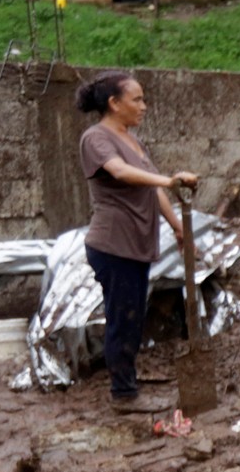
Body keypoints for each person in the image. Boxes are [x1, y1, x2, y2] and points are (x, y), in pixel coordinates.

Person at [74, 70, 198, 413]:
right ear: (114, 104)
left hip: (136, 243)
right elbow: (121, 173)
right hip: (113, 244)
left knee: (132, 318)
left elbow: (152, 188)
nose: (144, 106)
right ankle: (124, 395)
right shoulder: (96, 138)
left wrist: (177, 226)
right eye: (137, 99)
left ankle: (126, 384)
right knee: (123, 318)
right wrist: (170, 180)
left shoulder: (133, 140)